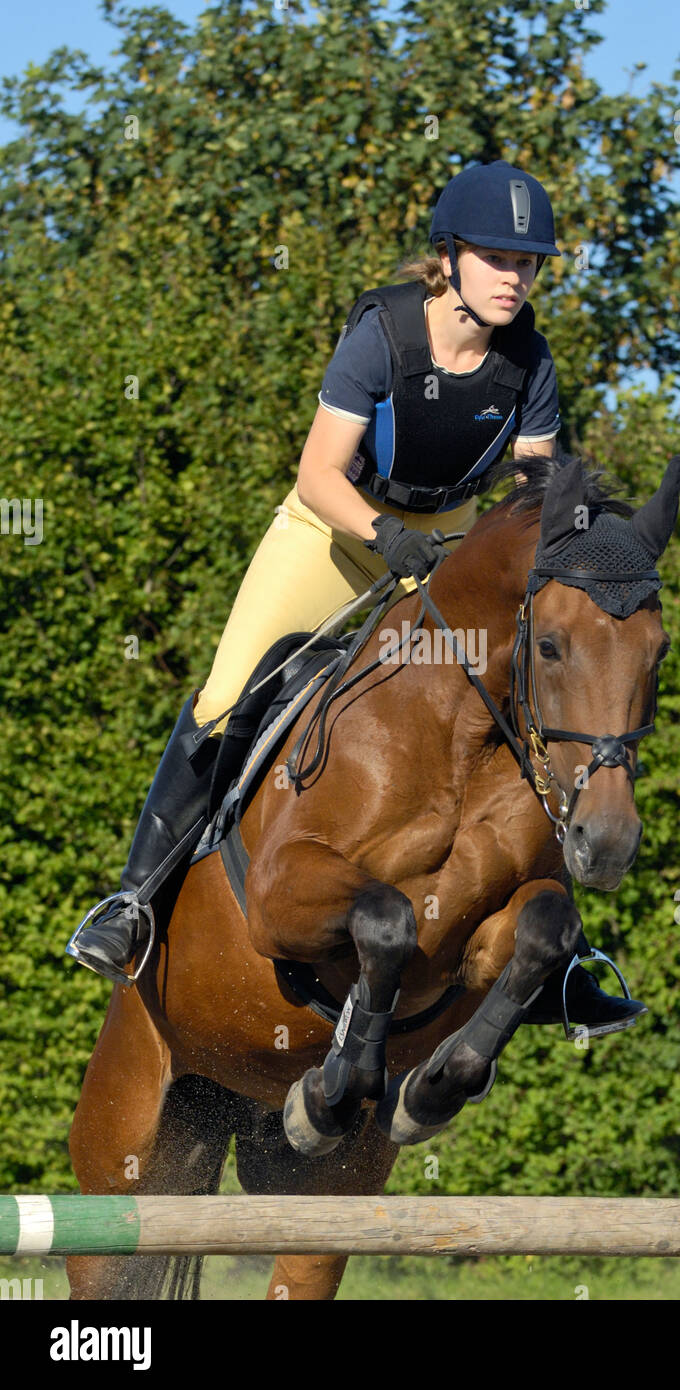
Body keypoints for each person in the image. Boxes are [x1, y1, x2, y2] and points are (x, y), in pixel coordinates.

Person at [66, 160, 644, 1036]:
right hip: (334, 533)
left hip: (445, 542)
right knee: (229, 696)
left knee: (528, 701)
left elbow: (534, 501)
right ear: (446, 258)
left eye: (529, 264)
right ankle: (134, 903)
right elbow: (320, 473)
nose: (516, 279)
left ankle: (558, 959)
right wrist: (383, 538)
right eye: (498, 258)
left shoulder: (530, 362)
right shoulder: (384, 333)